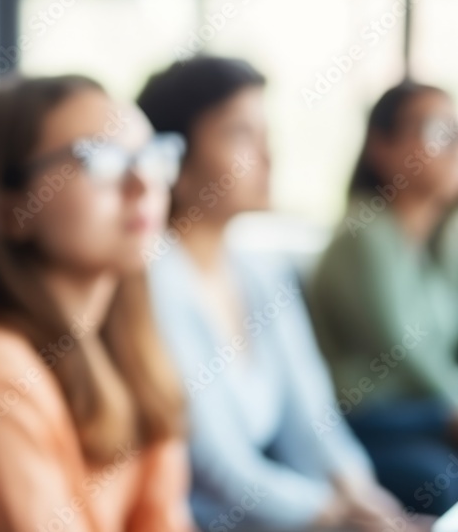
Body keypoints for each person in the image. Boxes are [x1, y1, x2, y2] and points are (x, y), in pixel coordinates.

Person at [137, 56, 418, 531]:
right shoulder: (151, 280)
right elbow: (217, 471)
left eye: (264, 132)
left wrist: (367, 500)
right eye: (239, 134)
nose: (268, 154)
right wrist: (336, 517)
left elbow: (314, 419)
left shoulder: (260, 271)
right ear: (176, 160)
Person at [0, 74, 195, 531]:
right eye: (103, 160)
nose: (143, 184)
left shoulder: (128, 347)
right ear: (9, 208)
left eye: (153, 157)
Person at [308, 81, 458, 515]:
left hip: (426, 414)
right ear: (382, 146)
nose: (452, 146)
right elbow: (405, 346)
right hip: (371, 419)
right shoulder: (365, 233)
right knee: (441, 480)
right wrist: (452, 407)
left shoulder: (437, 238)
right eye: (436, 130)